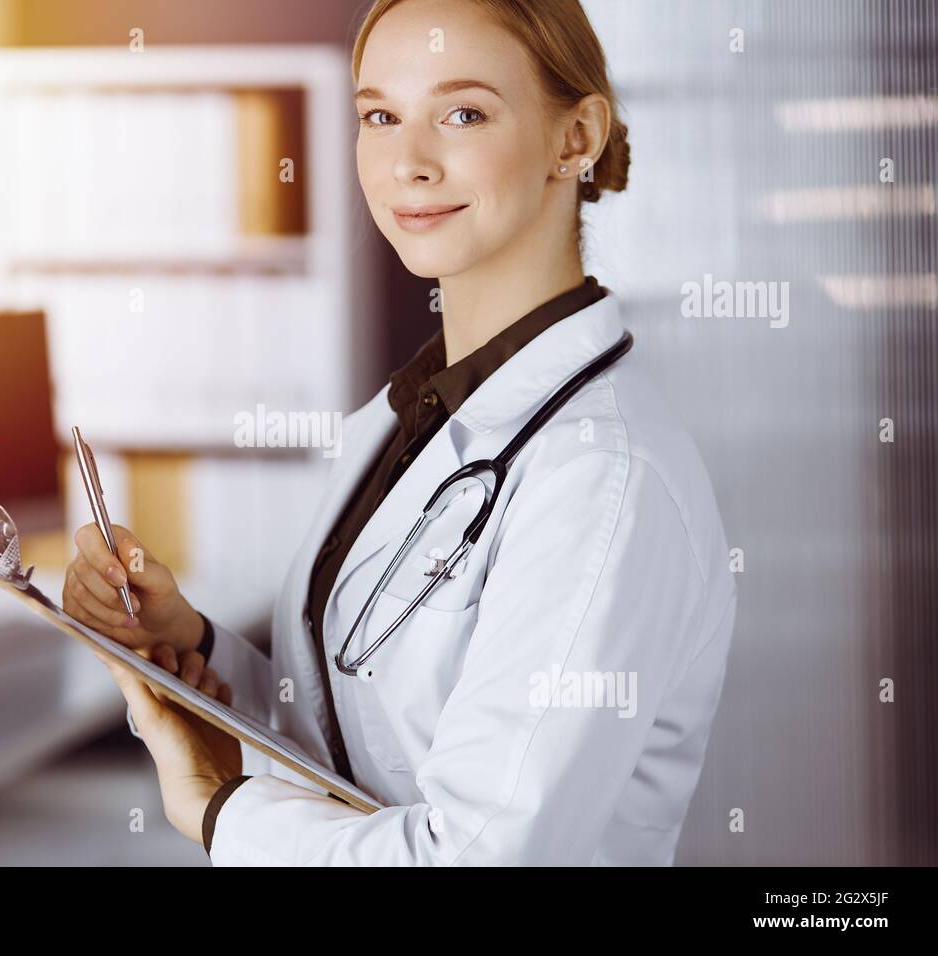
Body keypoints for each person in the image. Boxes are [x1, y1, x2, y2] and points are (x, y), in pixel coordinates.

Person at [62, 0, 736, 866]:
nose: (408, 162)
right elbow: (369, 737)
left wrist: (217, 812)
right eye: (381, 115)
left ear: (576, 139)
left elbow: (475, 857)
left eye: (463, 113)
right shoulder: (415, 416)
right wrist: (194, 646)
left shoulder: (601, 478)